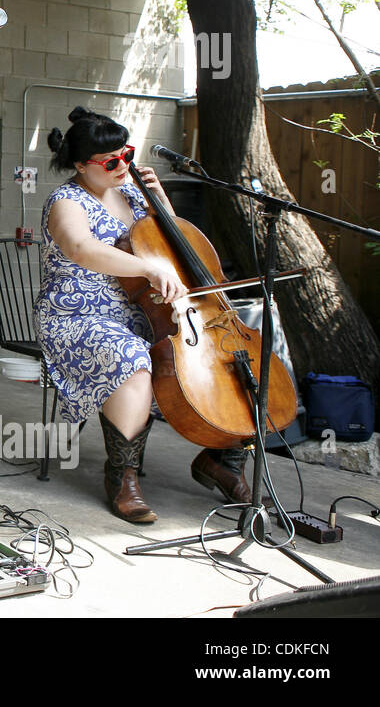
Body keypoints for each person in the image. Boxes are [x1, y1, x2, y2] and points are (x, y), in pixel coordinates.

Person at [35, 107, 256, 523]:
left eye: (128, 155)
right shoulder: (66, 201)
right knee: (134, 360)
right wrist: (147, 268)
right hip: (78, 315)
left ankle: (224, 461)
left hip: (143, 312)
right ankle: (123, 478)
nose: (124, 167)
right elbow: (82, 249)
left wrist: (163, 207)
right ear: (82, 165)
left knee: (235, 361)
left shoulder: (136, 194)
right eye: (111, 162)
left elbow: (173, 247)